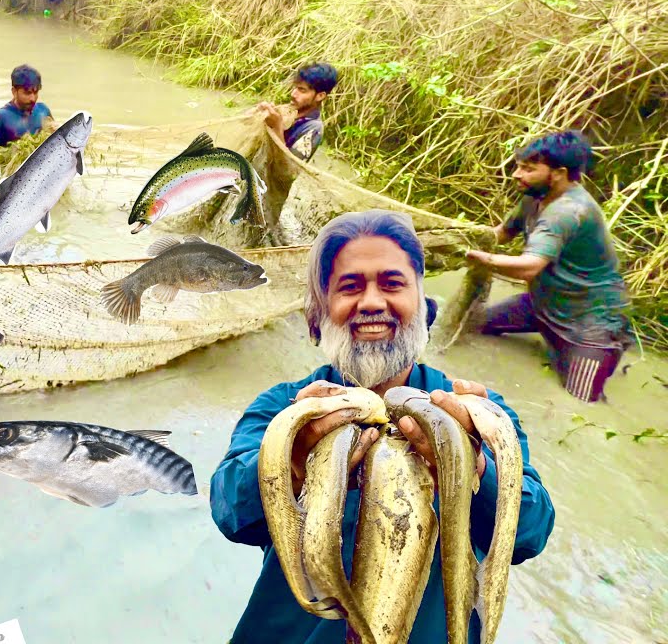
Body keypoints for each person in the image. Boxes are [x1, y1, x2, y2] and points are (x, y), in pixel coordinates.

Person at [209, 209, 555, 644]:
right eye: (350, 287)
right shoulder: (282, 407)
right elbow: (230, 514)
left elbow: (530, 533)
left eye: (392, 284)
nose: (372, 302)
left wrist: (475, 468)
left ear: (422, 306)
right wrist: (294, 461)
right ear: (319, 314)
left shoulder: (478, 413)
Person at [466, 130, 631, 402]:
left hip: (590, 325)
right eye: (518, 166)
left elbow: (530, 267)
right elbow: (502, 234)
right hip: (541, 304)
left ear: (559, 173)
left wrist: (479, 258)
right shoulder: (535, 196)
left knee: (578, 403)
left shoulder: (567, 212)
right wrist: (458, 237)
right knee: (472, 323)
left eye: (528, 169)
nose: (517, 174)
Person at [257, 61, 338, 162]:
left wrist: (276, 127)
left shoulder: (313, 128)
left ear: (320, 96)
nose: (293, 94)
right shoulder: (287, 110)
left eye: (302, 90)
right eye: (295, 87)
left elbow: (288, 173)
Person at [0, 64, 54, 148]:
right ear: (14, 91)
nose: (32, 99)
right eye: (27, 93)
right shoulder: (0, 117)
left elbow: (55, 138)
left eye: (36, 92)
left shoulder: (43, 111)